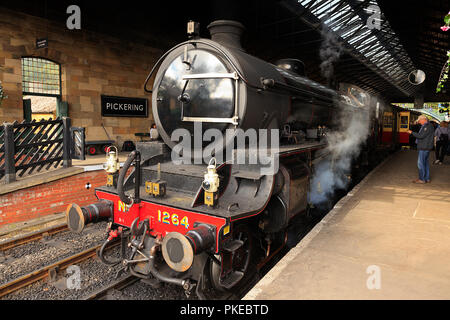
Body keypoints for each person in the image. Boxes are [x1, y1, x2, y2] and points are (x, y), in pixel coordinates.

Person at [407, 115, 435, 184]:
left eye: (419, 121)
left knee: (420, 163)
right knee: (425, 163)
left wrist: (411, 132)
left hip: (424, 147)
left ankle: (422, 179)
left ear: (424, 119)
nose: (419, 122)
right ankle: (427, 178)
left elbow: (421, 136)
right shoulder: (429, 126)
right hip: (426, 147)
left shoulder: (427, 126)